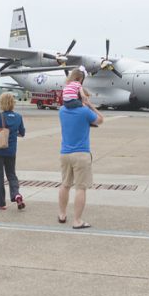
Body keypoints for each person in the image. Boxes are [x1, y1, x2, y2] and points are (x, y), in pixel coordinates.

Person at [58, 69, 103, 229]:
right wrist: (90, 105)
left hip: (65, 153)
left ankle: (62, 214)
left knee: (65, 185)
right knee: (81, 188)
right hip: (81, 153)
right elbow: (100, 120)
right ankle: (77, 220)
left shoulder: (62, 111)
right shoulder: (84, 111)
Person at [0, 92, 26, 210]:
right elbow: (22, 133)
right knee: (11, 174)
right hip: (11, 150)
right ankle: (16, 194)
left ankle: (0, 203)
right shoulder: (19, 117)